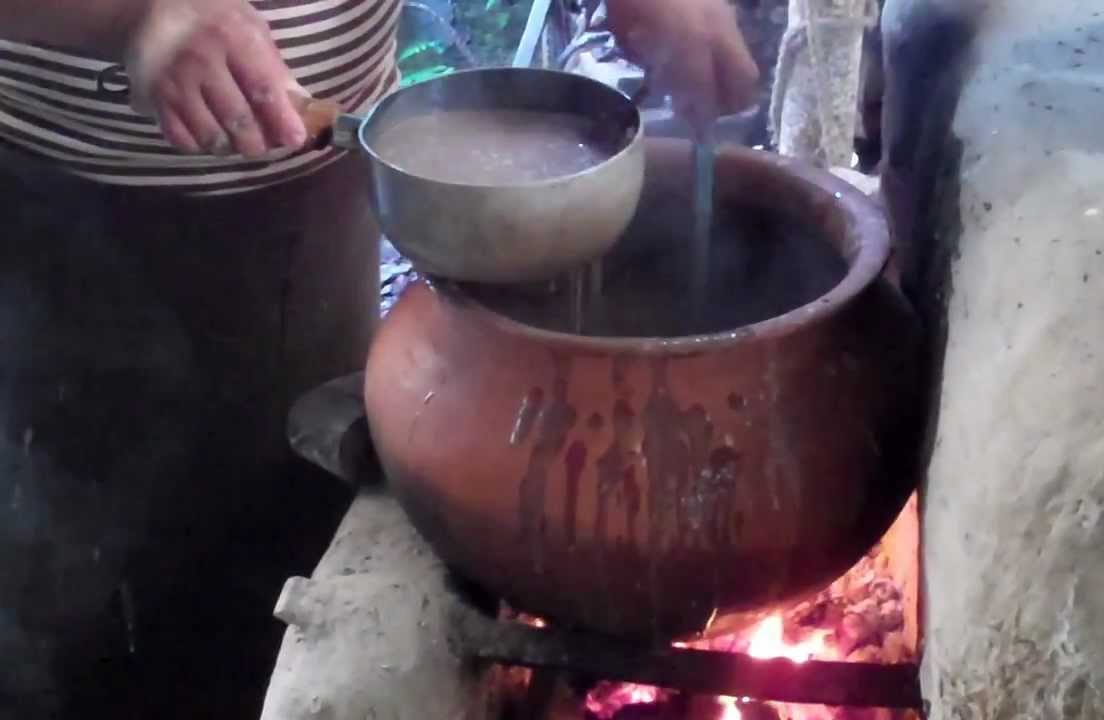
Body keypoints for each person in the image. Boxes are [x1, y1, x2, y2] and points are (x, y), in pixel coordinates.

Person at [0, 1, 758, 718]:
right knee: (94, 612)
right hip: (71, 225)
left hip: (320, 189)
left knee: (281, 551)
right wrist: (129, 13)